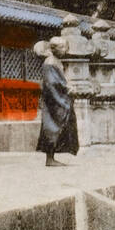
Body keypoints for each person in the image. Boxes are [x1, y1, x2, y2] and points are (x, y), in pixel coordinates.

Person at [37, 36, 79, 166]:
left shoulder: (55, 61)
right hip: (53, 101)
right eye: (63, 48)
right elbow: (52, 82)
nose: (65, 51)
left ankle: (52, 157)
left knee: (57, 126)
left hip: (56, 98)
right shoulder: (50, 63)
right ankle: (50, 159)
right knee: (52, 127)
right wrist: (66, 88)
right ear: (55, 49)